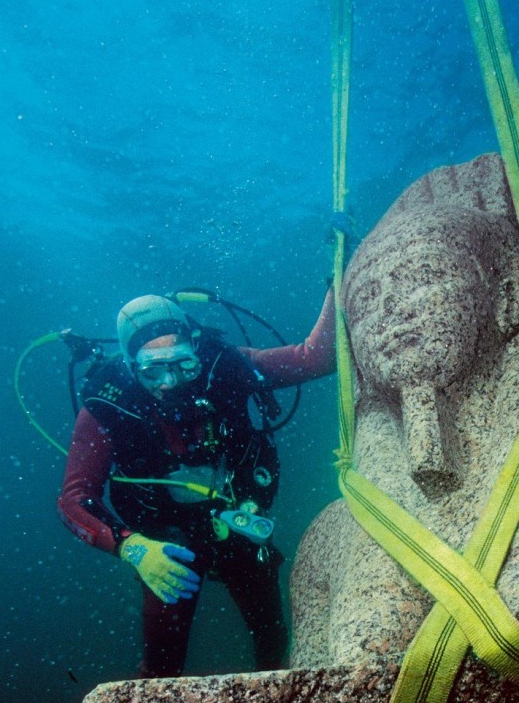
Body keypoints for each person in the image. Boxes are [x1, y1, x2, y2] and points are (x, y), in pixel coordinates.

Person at [58, 288, 336, 678]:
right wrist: (133, 548)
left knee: (272, 643)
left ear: (196, 348)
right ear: (129, 363)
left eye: (184, 365)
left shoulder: (226, 367)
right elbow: (73, 500)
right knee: (162, 666)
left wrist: (337, 276)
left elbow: (317, 357)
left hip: (235, 520)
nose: (170, 382)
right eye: (152, 370)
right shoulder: (110, 402)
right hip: (162, 543)